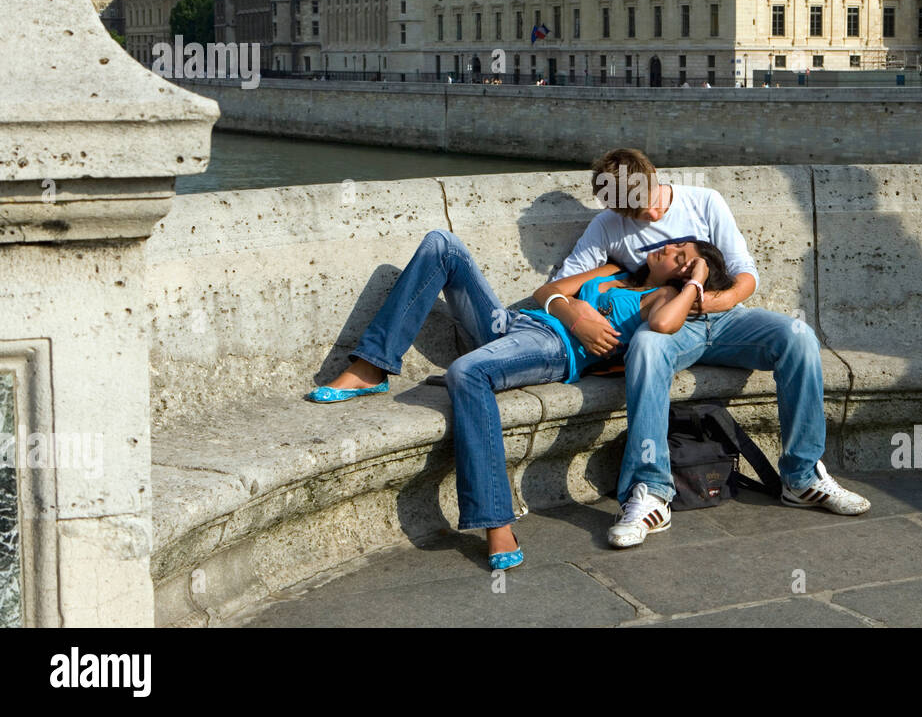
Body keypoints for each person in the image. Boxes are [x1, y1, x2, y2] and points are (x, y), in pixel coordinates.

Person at [310, 228, 732, 568]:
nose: (670, 249)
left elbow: (662, 325)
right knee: (442, 245)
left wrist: (695, 282)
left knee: (467, 372)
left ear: (682, 278)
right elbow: (546, 292)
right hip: (512, 324)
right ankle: (372, 366)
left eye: (681, 257)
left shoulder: (659, 298)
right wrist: (575, 312)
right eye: (676, 244)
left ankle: (496, 520)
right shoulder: (612, 270)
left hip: (552, 348)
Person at [553, 148, 870, 549]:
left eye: (649, 203)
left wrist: (706, 300)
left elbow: (746, 276)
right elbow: (564, 283)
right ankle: (651, 491)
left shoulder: (704, 201)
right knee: (648, 348)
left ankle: (802, 477)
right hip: (669, 327)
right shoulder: (607, 225)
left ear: (653, 178)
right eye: (635, 214)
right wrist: (575, 312)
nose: (649, 217)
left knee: (797, 335)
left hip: (726, 319)